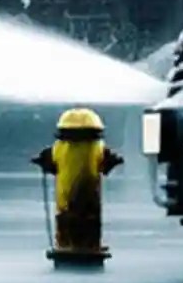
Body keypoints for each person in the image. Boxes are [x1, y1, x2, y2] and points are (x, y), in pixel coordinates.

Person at [31, 108, 123, 256]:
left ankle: (66, 244)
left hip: (65, 202)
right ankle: (90, 245)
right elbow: (109, 161)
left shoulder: (59, 148)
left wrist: (43, 162)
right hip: (90, 199)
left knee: (66, 222)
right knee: (89, 221)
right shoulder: (97, 148)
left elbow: (48, 160)